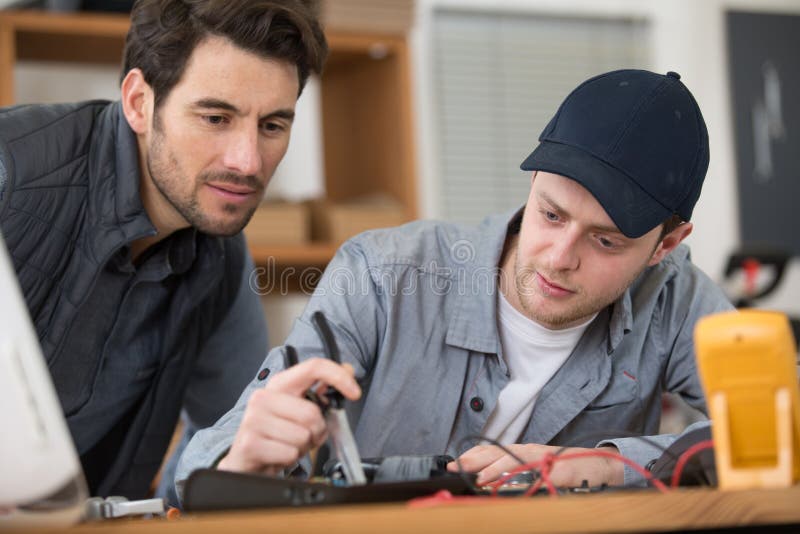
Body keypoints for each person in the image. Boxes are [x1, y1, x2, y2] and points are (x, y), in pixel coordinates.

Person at [176, 69, 733, 496]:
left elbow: (787, 427)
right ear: (534, 179)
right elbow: (204, 467)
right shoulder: (383, 274)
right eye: (552, 215)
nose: (560, 258)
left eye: (605, 241)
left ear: (666, 245)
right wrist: (244, 460)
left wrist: (607, 465)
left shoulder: (677, 302)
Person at [0, 0, 327, 500]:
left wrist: (237, 467)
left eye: (272, 126)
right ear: (138, 102)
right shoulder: (11, 172)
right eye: (216, 118)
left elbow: (224, 443)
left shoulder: (222, 261)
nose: (247, 161)